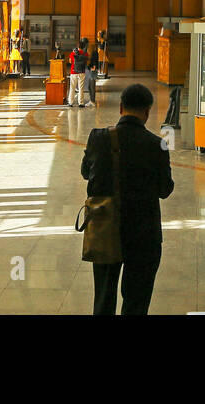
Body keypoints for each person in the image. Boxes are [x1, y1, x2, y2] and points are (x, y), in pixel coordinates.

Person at [81, 83, 174, 314]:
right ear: (147, 111)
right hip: (144, 235)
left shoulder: (98, 138)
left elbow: (86, 173)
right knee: (136, 301)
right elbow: (165, 189)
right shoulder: (157, 145)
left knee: (103, 298)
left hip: (105, 229)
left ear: (121, 107)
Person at [67, 38, 89, 107]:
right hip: (82, 72)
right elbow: (86, 63)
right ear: (83, 46)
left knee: (72, 87)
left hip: (73, 72)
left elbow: (70, 61)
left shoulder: (73, 53)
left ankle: (70, 102)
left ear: (77, 46)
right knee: (81, 88)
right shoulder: (85, 54)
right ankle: (81, 103)